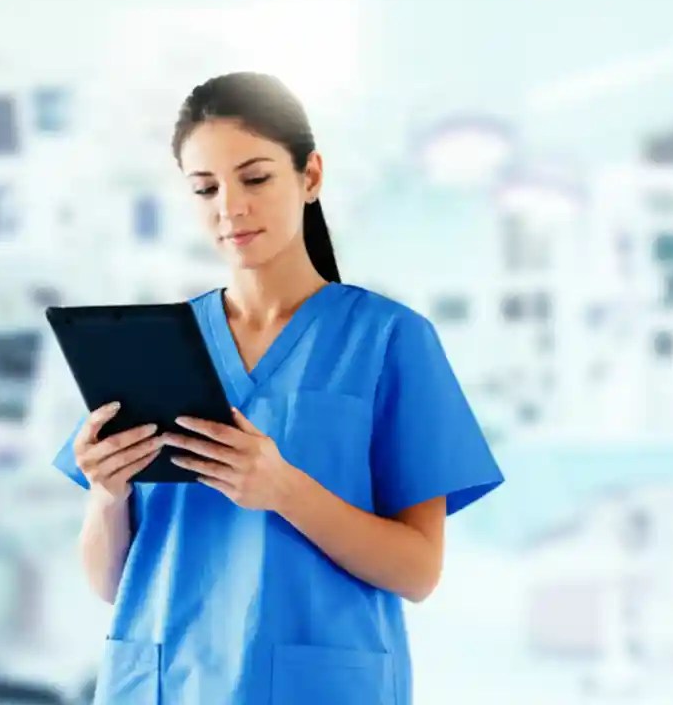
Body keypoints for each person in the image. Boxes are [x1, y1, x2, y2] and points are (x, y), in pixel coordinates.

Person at [51, 72, 504, 704]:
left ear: (310, 176)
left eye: (255, 177)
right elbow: (110, 583)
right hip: (163, 683)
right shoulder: (154, 348)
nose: (229, 206)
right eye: (205, 188)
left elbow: (418, 571)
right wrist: (106, 495)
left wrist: (283, 489)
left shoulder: (388, 340)